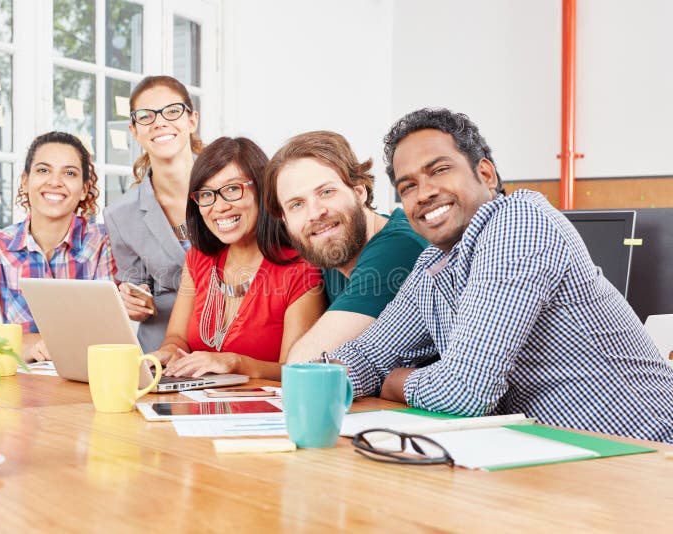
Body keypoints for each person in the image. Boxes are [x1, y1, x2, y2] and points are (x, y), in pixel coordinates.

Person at [329, 108, 673, 442]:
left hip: (644, 456)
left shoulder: (519, 222)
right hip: (559, 459)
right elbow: (368, 355)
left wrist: (394, 382)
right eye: (408, 187)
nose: (424, 193)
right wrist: (321, 377)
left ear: (486, 174)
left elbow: (465, 390)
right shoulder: (435, 263)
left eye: (440, 170)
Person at [154, 137, 325, 380]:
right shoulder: (198, 259)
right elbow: (177, 337)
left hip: (265, 412)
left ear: (263, 190)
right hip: (197, 407)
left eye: (233, 189)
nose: (219, 206)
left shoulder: (300, 269)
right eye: (206, 194)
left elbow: (297, 371)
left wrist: (236, 363)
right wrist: (171, 350)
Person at [262, 131, 428, 362]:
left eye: (326, 192)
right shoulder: (331, 250)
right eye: (297, 204)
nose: (315, 213)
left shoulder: (399, 248)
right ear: (285, 221)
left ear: (359, 192)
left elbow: (303, 364)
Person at [0, 131, 117, 361]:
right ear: (25, 182)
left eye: (70, 173)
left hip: (86, 380)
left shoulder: (103, 243)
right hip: (22, 382)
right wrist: (26, 344)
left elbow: (108, 332)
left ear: (84, 189)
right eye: (43, 170)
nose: (55, 182)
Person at [103, 75, 202, 352]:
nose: (160, 122)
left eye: (172, 111)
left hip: (233, 345)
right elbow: (138, 290)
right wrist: (134, 302)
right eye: (146, 116)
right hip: (162, 353)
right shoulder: (120, 215)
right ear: (134, 130)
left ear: (191, 120)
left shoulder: (228, 187)